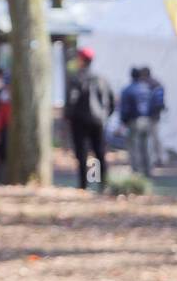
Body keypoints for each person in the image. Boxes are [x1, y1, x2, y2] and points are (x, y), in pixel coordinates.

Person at [64, 47, 115, 190]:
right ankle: (101, 183)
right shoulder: (102, 79)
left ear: (82, 60)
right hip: (98, 121)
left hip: (80, 122)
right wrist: (105, 115)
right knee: (99, 152)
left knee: (82, 153)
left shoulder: (76, 80)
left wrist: (69, 116)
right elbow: (111, 102)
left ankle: (84, 184)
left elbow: (71, 102)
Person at [119, 66, 155, 177]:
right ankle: (148, 171)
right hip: (147, 120)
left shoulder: (128, 89)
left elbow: (125, 108)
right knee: (146, 147)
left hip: (134, 121)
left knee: (133, 147)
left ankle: (136, 172)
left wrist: (123, 121)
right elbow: (152, 105)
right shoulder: (147, 88)